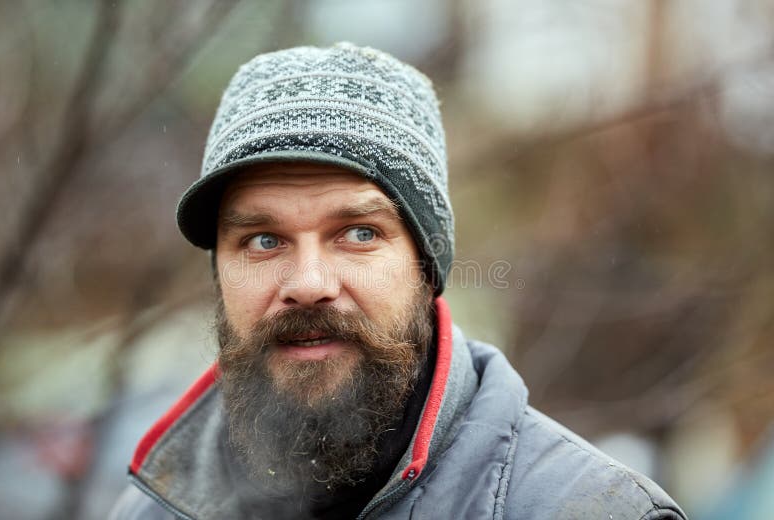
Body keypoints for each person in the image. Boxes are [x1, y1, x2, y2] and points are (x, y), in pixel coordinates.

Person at [110, 43, 687, 520]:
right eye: (264, 240)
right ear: (219, 276)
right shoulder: (151, 512)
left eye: (359, 233)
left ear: (426, 267)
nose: (308, 283)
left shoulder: (589, 511)